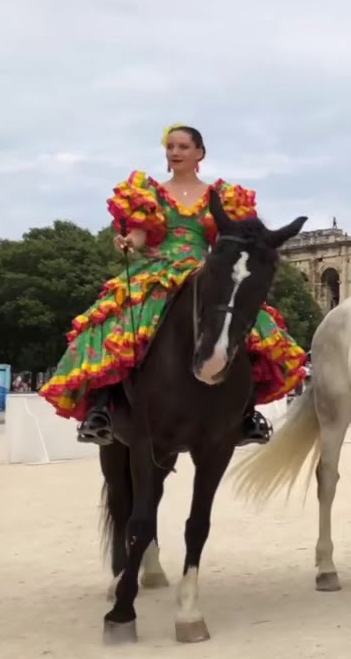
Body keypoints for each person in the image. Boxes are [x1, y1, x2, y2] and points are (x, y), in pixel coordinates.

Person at [38, 124, 309, 445]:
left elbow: (227, 241)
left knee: (251, 324)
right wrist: (127, 241)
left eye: (182, 147)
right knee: (115, 327)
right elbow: (139, 235)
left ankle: (245, 411)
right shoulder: (149, 193)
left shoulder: (221, 197)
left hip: (204, 269)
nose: (175, 152)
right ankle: (101, 410)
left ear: (199, 154)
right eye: (171, 147)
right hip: (156, 271)